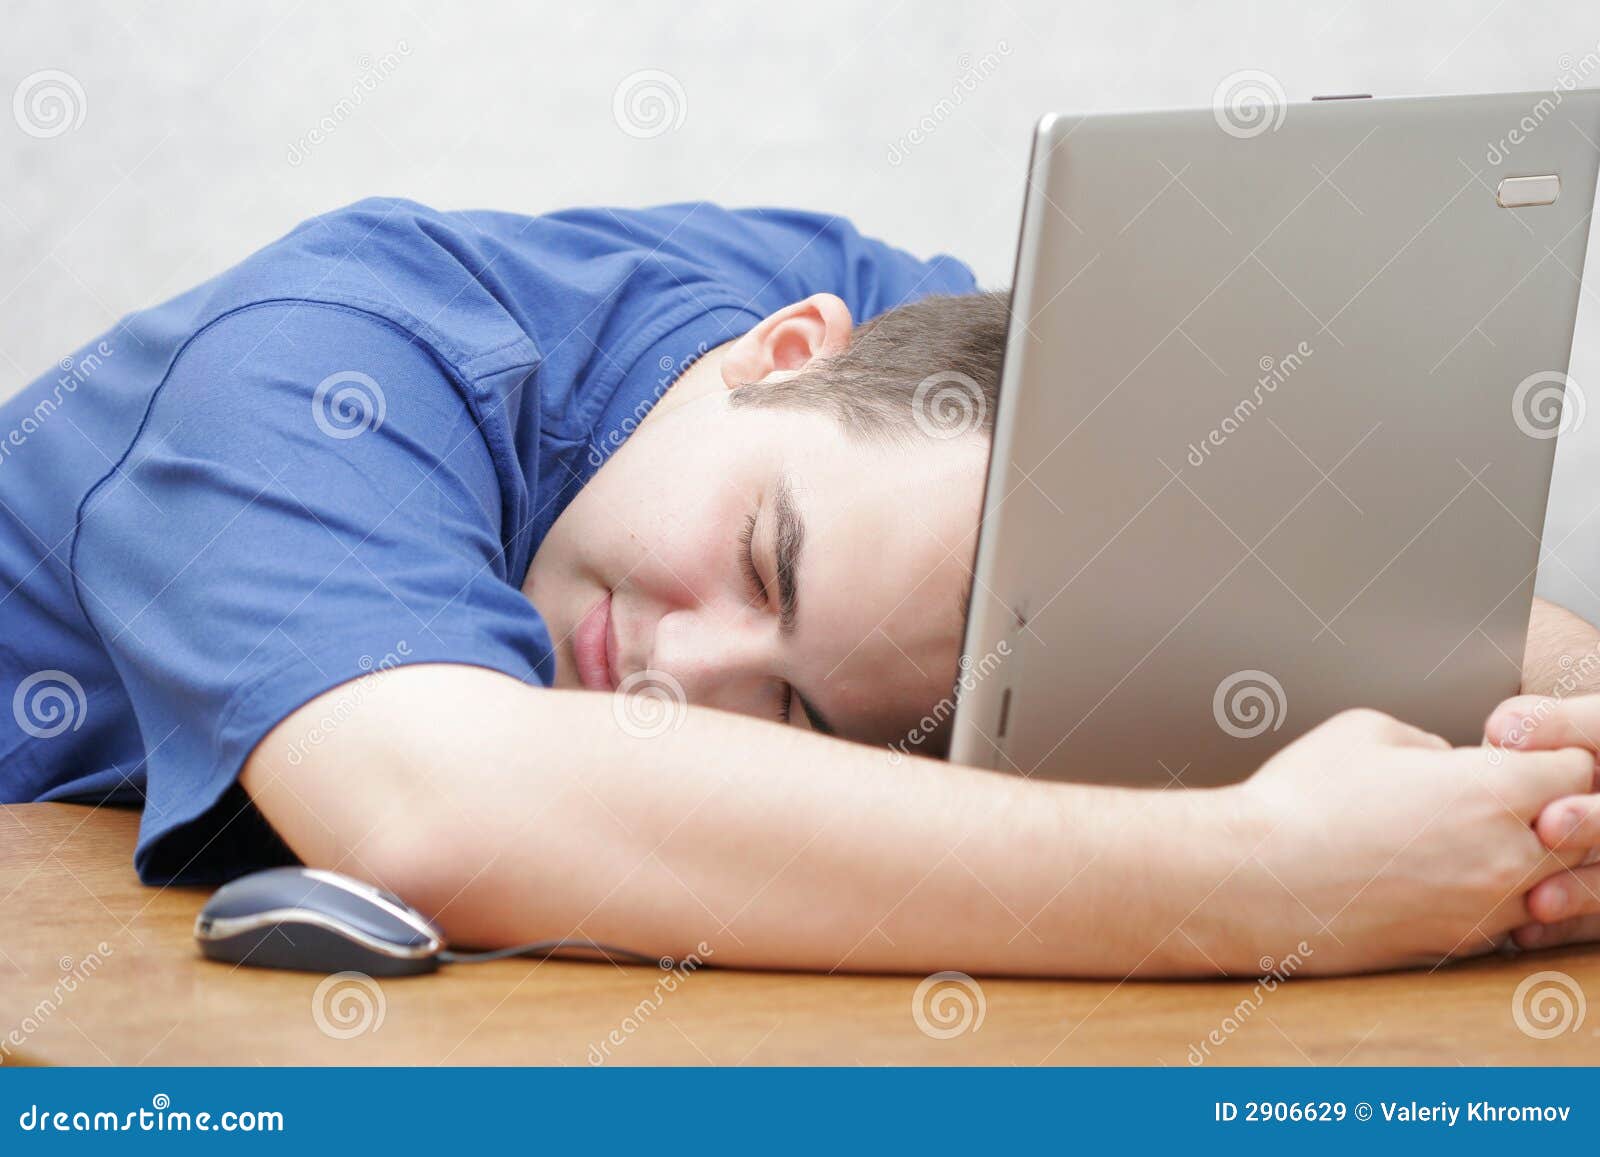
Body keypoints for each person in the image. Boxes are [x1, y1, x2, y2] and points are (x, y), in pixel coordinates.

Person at [3, 198, 1599, 977]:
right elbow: (445, 810)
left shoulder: (889, 385)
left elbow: (1343, 580)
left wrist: (1561, 769)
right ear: (783, 348)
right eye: (768, 562)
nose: (681, 675)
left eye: (793, 709)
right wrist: (1266, 878)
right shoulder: (301, 369)